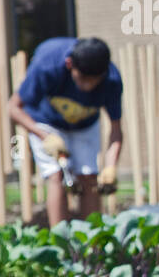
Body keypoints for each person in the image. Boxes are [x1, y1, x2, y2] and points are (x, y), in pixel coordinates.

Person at [7, 36, 123, 226]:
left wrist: (111, 166)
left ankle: (91, 243)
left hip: (85, 124)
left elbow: (116, 129)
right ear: (69, 65)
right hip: (44, 121)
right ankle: (61, 244)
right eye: (83, 79)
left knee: (89, 177)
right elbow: (13, 108)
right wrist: (45, 137)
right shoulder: (48, 66)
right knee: (57, 175)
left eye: (95, 81)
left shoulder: (111, 80)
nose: (88, 87)